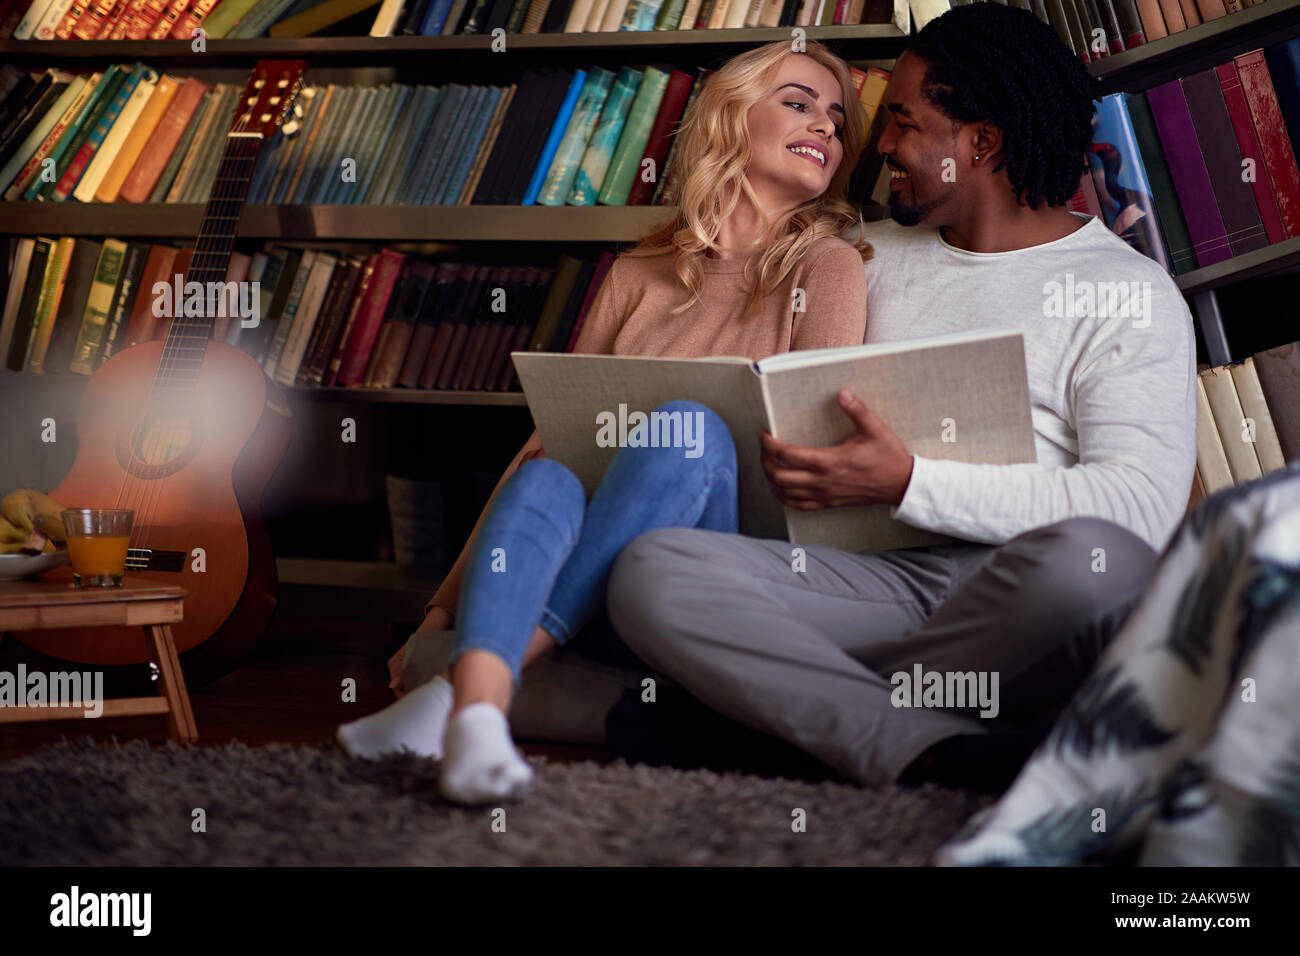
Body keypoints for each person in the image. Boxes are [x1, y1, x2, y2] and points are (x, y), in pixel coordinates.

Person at [604, 4, 1199, 793]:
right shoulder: (860, 253)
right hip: (856, 579)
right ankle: (921, 744)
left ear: (979, 143)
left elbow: (1139, 510)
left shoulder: (1126, 292)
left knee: (1102, 567)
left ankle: (767, 715)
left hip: (1009, 595)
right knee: (652, 568)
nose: (874, 146)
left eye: (902, 124)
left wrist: (909, 482)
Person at [337, 39, 875, 803]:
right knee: (552, 471)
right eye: (798, 102)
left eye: (837, 118)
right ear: (731, 116)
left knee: (686, 429)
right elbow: (545, 443)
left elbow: (813, 465)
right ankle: (481, 721)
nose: (825, 125)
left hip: (713, 581)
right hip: (595, 591)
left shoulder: (828, 267)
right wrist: (439, 609)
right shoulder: (635, 275)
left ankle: (460, 694)